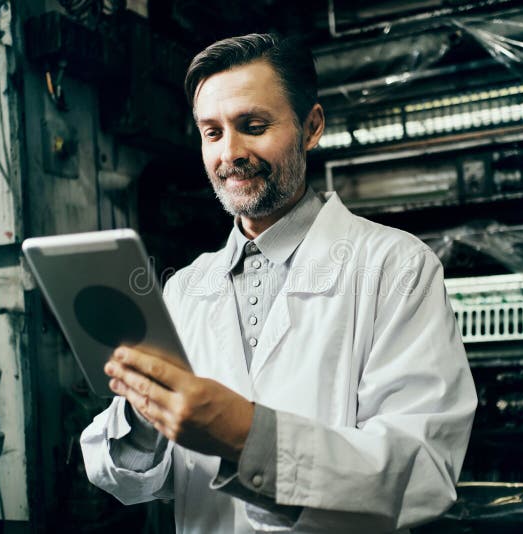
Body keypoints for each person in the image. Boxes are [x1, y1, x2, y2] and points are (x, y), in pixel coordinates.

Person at [81, 33, 477, 533]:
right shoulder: (184, 289)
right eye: (212, 132)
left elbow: (422, 471)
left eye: (253, 125)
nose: (231, 152)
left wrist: (247, 437)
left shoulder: (397, 267)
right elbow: (134, 482)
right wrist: (145, 414)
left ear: (311, 127)